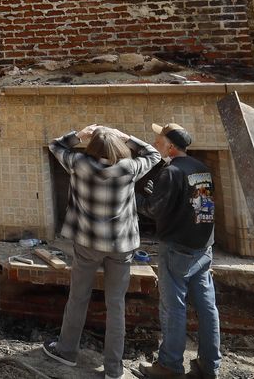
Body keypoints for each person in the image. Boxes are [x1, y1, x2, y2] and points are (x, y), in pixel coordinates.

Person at [44, 124, 162, 379]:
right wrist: (127, 137)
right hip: (121, 247)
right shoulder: (130, 168)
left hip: (87, 243)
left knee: (78, 296)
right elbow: (154, 154)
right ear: (117, 147)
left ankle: (66, 352)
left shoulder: (79, 164)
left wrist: (80, 134)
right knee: (116, 304)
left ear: (92, 146)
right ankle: (114, 370)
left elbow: (54, 145)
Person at [138, 123, 221, 379]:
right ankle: (210, 365)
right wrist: (157, 193)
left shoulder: (171, 171)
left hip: (177, 248)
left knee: (173, 307)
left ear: (171, 147)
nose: (155, 143)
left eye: (160, 140)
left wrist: (136, 197)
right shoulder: (201, 168)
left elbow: (153, 210)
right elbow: (197, 204)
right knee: (207, 307)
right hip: (203, 248)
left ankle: (169, 366)